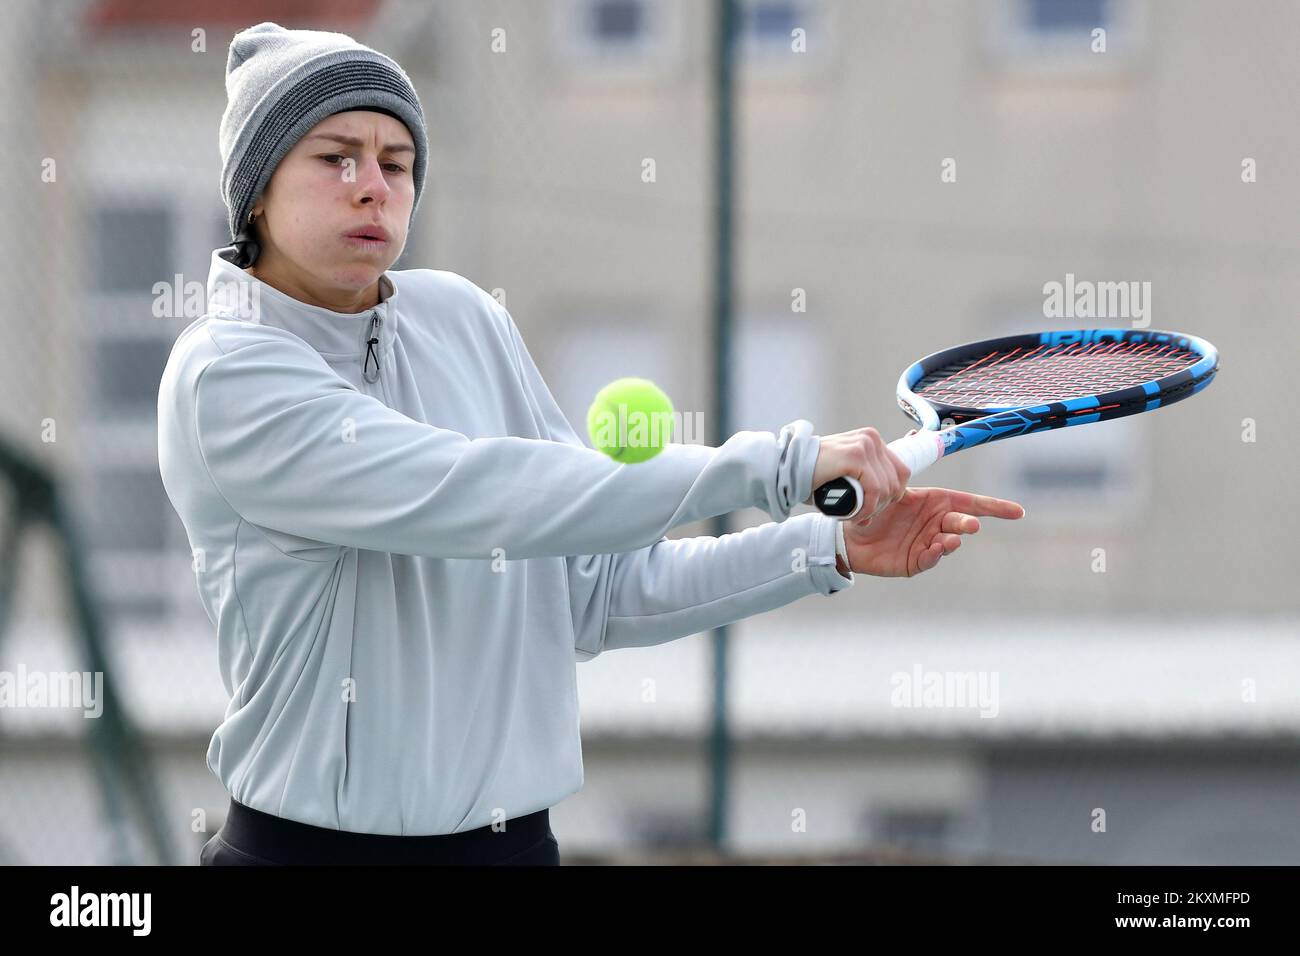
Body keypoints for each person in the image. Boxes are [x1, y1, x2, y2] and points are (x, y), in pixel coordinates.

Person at [158, 22, 1024, 866]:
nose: (372, 185)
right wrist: (780, 465)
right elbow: (476, 495)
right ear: (259, 190)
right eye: (335, 157)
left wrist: (824, 543)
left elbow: (596, 586)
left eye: (397, 163)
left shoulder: (464, 317)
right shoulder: (227, 377)